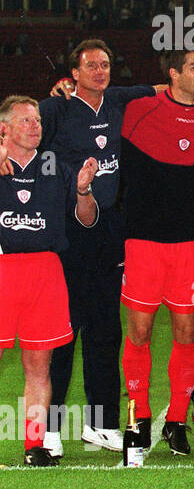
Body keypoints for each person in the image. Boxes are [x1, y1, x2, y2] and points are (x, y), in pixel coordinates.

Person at [36, 40, 162, 454]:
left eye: (105, 64)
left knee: (106, 328)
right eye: (90, 65)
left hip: (109, 230)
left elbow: (166, 89)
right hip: (66, 232)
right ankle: (50, 428)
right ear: (73, 73)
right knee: (62, 330)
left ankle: (102, 423)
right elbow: (17, 124)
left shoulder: (119, 101)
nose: (99, 71)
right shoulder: (55, 109)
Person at [117, 49, 194, 456]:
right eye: (193, 66)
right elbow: (103, 96)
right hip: (143, 240)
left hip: (191, 243)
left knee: (186, 333)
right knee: (139, 332)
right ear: (173, 74)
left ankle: (176, 419)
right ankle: (138, 416)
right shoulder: (141, 108)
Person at [0, 96, 98, 466]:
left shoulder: (54, 164)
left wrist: (84, 189)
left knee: (39, 365)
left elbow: (86, 220)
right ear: (4, 129)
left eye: (37, 119)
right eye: (25, 120)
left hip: (46, 271)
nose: (35, 126)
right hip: (4, 268)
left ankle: (34, 444)